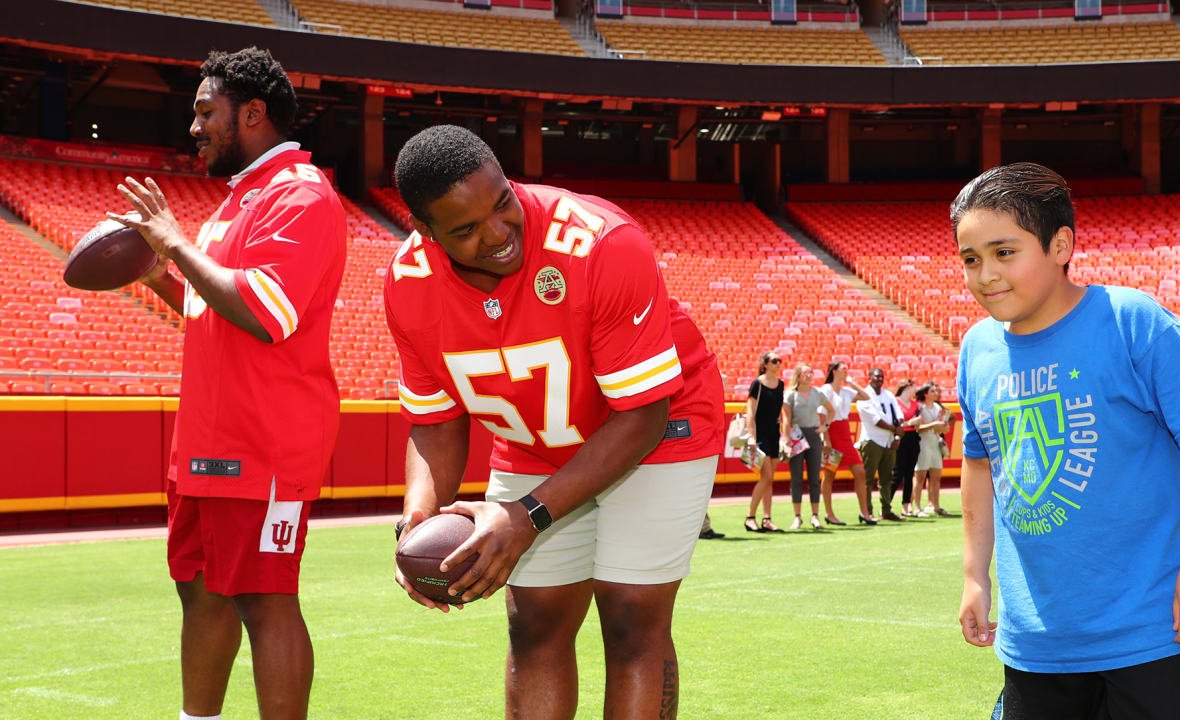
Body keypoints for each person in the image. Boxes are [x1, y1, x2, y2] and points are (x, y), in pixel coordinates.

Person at [385, 125, 724, 719]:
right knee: (534, 622)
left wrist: (527, 516)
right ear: (424, 229)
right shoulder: (408, 283)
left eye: (503, 204)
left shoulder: (602, 242)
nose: (498, 233)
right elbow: (436, 420)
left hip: (654, 430)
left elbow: (642, 414)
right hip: (536, 441)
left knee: (632, 617)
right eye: (466, 230)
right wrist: (417, 517)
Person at [952, 162, 1180, 720]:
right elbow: (980, 463)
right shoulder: (976, 349)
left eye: (1004, 252)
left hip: (1156, 629)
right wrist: (973, 575)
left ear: (1060, 245)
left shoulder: (1132, 320)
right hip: (1037, 641)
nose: (986, 273)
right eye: (971, 258)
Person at [108, 47, 347, 720]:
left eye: (205, 112)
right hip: (206, 438)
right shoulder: (237, 201)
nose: (195, 127)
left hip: (264, 443)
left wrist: (175, 243)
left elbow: (265, 315)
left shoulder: (300, 194)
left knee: (265, 599)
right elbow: (211, 311)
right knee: (200, 590)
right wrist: (160, 274)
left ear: (252, 113)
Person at [780, 362, 834, 530]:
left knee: (814, 478)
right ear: (798, 375)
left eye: (811, 372)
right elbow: (786, 419)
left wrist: (825, 426)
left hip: (813, 435)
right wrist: (787, 441)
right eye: (806, 373)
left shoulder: (817, 393)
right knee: (796, 478)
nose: (809, 375)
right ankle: (797, 517)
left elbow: (831, 410)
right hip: (797, 435)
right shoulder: (790, 394)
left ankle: (815, 515)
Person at [817, 360, 871, 525]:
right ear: (834, 371)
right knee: (829, 474)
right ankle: (829, 513)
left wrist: (852, 382)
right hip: (832, 431)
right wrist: (826, 439)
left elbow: (866, 396)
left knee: (860, 471)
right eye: (843, 368)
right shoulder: (826, 390)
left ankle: (865, 512)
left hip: (844, 432)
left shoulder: (846, 391)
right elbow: (822, 415)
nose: (846, 370)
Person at [857, 367, 905, 521]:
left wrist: (896, 437)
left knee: (886, 479)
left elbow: (899, 416)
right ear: (869, 377)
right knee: (868, 479)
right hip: (872, 440)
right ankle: (867, 511)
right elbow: (876, 420)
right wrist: (896, 430)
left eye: (881, 377)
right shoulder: (864, 396)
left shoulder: (888, 395)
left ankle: (886, 510)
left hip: (888, 441)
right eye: (876, 376)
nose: (879, 379)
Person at [745, 351, 785, 533]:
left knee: (770, 479)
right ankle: (750, 517)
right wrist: (752, 437)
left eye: (779, 360)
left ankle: (767, 518)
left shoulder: (780, 384)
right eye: (774, 360)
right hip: (760, 434)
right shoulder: (757, 384)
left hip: (774, 434)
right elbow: (750, 412)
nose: (778, 363)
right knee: (766, 476)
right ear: (765, 364)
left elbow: (779, 411)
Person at [911, 381, 954, 517]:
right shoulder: (920, 407)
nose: (936, 393)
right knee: (920, 476)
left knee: (936, 477)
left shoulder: (937, 407)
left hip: (935, 442)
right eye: (932, 391)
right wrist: (934, 424)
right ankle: (917, 507)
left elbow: (944, 429)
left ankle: (936, 506)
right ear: (925, 394)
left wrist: (944, 427)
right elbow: (918, 428)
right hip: (922, 443)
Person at [890, 378, 920, 516]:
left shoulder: (915, 404)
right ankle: (886, 504)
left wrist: (915, 423)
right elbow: (895, 422)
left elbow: (919, 421)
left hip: (913, 438)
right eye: (913, 387)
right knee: (898, 472)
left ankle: (907, 505)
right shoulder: (895, 402)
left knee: (909, 473)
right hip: (900, 438)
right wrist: (909, 423)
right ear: (907, 387)